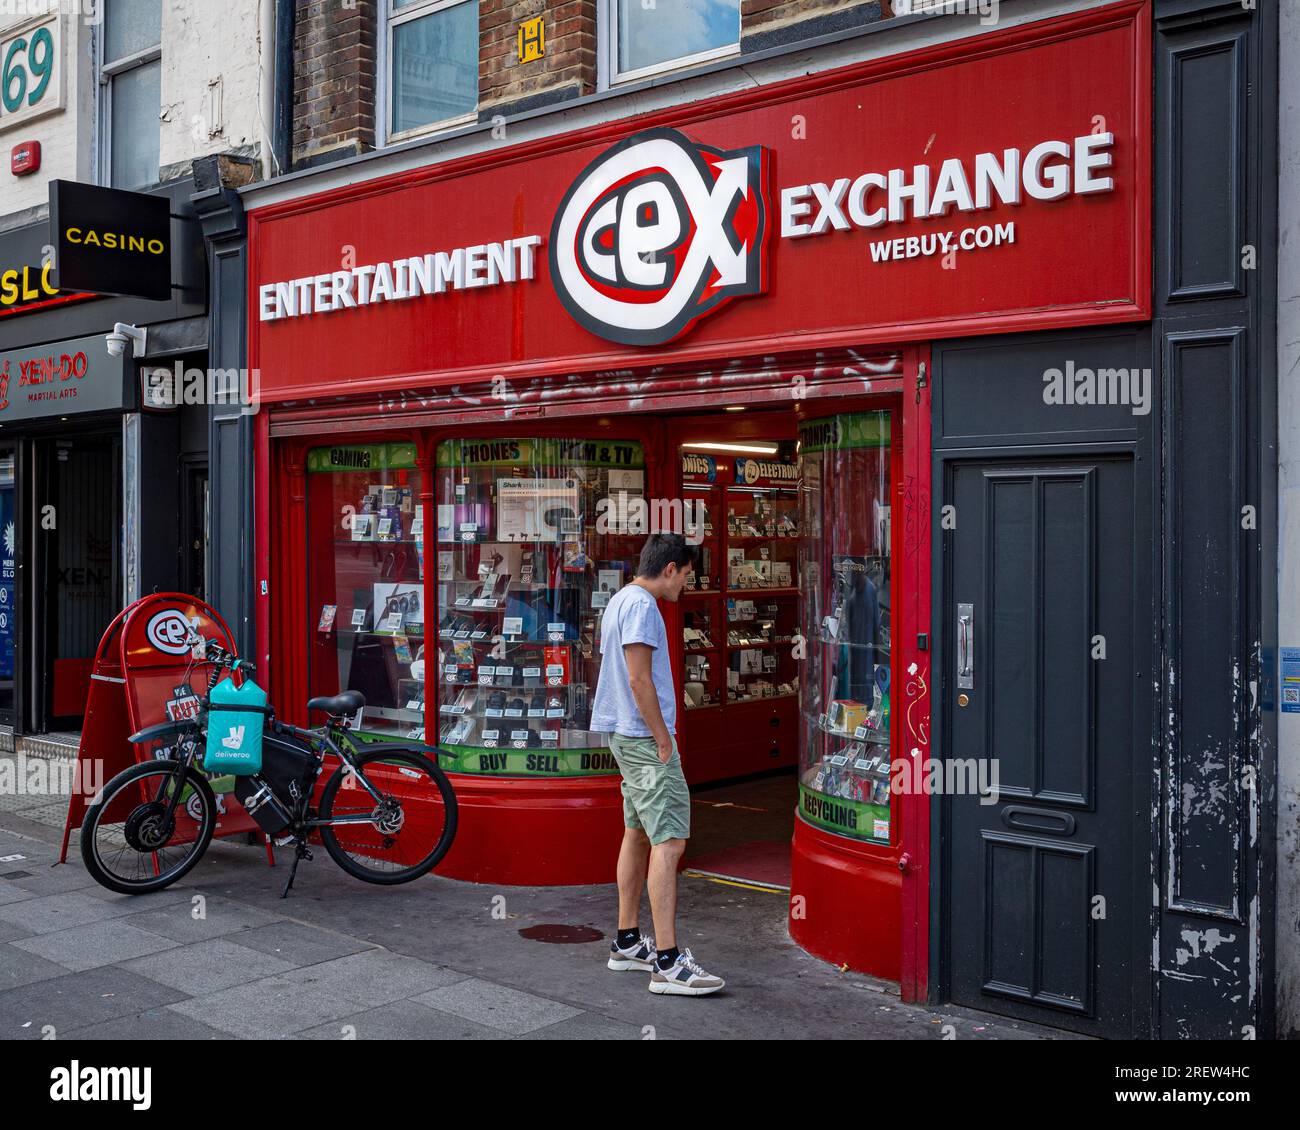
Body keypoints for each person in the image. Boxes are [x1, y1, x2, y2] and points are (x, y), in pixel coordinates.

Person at [590, 532, 725, 996]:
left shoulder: (620, 599)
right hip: (645, 740)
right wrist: (664, 739)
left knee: (638, 832)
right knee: (669, 843)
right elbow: (638, 677)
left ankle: (628, 941)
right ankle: (668, 963)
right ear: (670, 568)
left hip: (624, 736)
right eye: (686, 575)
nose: (685, 585)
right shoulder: (645, 607)